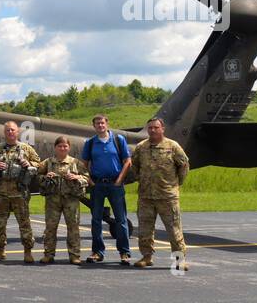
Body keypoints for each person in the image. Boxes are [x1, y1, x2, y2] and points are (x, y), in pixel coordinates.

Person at [132, 118, 190, 269]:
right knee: (145, 230)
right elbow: (135, 167)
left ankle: (179, 260)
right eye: (150, 128)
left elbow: (183, 166)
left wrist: (176, 184)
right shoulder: (141, 147)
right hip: (146, 197)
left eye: (156, 127)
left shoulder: (173, 146)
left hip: (167, 197)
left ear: (162, 128)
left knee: (174, 231)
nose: (152, 130)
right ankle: (146, 257)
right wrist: (143, 181)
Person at [80, 113, 133, 265]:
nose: (100, 126)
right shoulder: (90, 143)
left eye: (102, 123)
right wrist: (90, 181)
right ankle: (97, 252)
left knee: (121, 220)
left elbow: (127, 161)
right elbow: (83, 164)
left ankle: (124, 253)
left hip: (115, 185)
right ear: (94, 126)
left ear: (107, 124)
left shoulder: (118, 140)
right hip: (97, 185)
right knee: (96, 220)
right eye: (97, 124)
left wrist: (119, 180)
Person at [0, 121, 40, 263]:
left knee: (24, 223)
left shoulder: (26, 149)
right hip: (2, 192)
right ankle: (0, 250)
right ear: (4, 133)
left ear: (18, 132)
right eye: (8, 130)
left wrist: (30, 164)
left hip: (20, 193)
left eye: (13, 130)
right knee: (0, 223)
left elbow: (39, 165)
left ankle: (28, 252)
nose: (10, 132)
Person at [36, 136, 89, 265]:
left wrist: (76, 177)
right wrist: (46, 177)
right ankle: (48, 254)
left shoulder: (75, 163)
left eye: (65, 146)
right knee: (50, 228)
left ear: (69, 148)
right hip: (53, 200)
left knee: (73, 228)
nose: (62, 148)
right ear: (55, 147)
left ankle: (75, 255)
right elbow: (37, 176)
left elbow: (87, 178)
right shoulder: (48, 162)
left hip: (71, 199)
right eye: (60, 146)